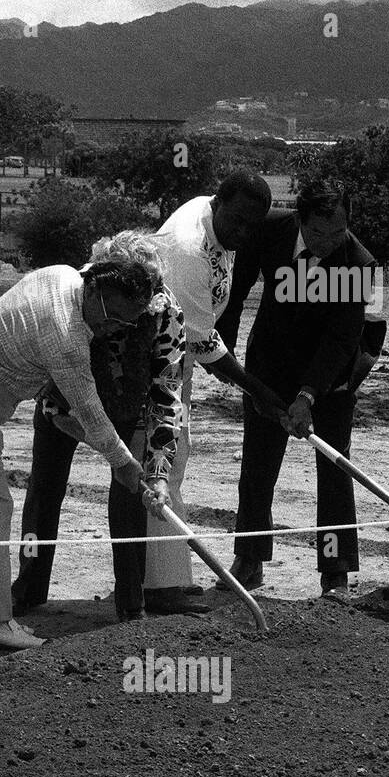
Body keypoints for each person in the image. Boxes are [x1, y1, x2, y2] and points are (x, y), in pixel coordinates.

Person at [0, 231, 175, 649]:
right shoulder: (66, 333)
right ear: (100, 291)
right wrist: (126, 465)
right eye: (114, 318)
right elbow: (89, 409)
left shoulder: (62, 275)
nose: (112, 329)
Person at [224, 178, 386, 599]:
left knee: (335, 468)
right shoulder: (268, 230)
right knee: (258, 464)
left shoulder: (358, 264)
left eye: (338, 233)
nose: (328, 243)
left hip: (331, 377)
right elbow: (236, 290)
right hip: (270, 365)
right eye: (317, 233)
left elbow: (342, 339)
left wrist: (309, 395)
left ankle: (335, 571)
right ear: (300, 219)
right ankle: (250, 557)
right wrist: (222, 353)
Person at [12, 237, 186, 622]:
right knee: (43, 490)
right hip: (64, 402)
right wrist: (78, 426)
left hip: (127, 403)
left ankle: (130, 601)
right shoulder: (71, 298)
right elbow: (49, 389)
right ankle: (28, 587)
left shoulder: (166, 313)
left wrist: (158, 472)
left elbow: (166, 392)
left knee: (131, 492)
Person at [137, 171, 279, 615]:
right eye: (235, 221)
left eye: (250, 226)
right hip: (153, 354)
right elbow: (200, 341)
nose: (242, 233)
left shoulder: (216, 217)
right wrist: (258, 391)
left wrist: (216, 355)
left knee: (169, 459)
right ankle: (161, 588)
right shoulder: (187, 249)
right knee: (161, 457)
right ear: (217, 203)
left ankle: (166, 578)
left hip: (178, 345)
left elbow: (203, 332)